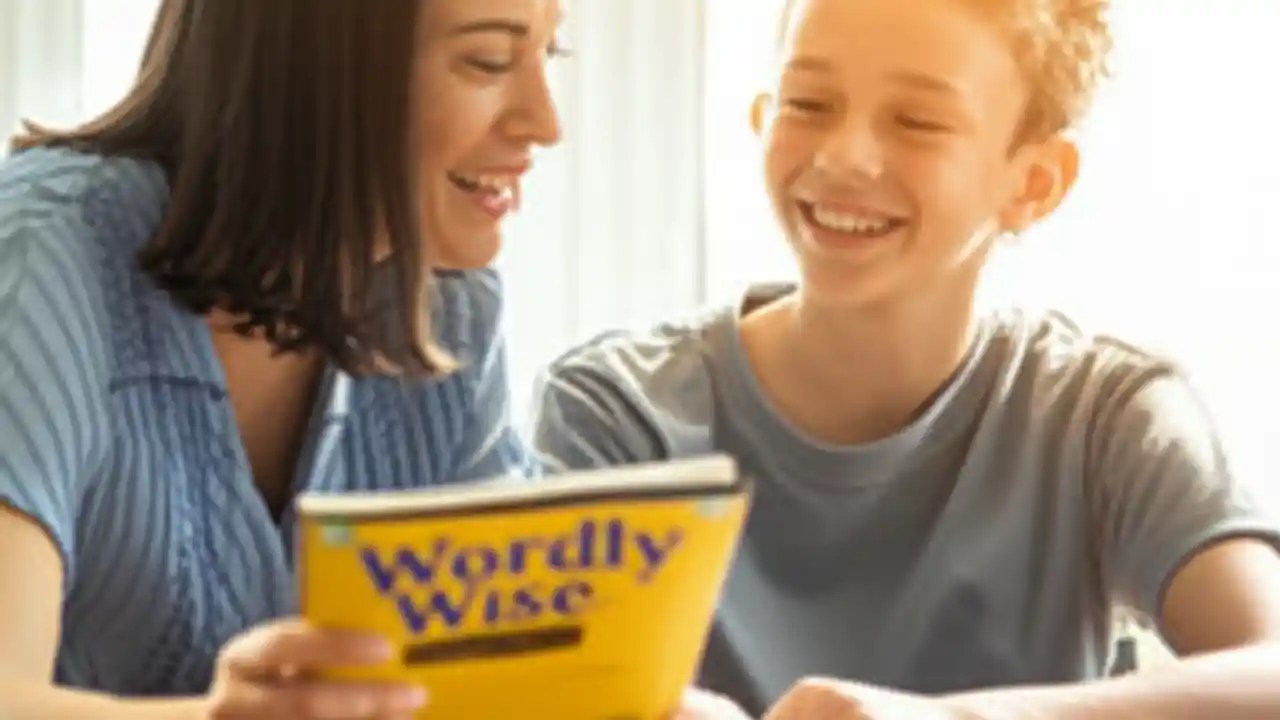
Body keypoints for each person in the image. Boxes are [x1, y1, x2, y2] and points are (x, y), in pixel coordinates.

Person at [535, 0, 1280, 718]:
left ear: (1035, 182)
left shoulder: (1102, 418)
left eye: (918, 121)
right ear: (763, 119)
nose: (843, 156)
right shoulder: (619, 412)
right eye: (808, 103)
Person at [0, 0, 569, 716]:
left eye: (552, 56)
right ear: (316, 73)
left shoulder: (450, 309)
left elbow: (498, 677)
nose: (545, 123)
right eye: (487, 61)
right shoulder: (43, 257)